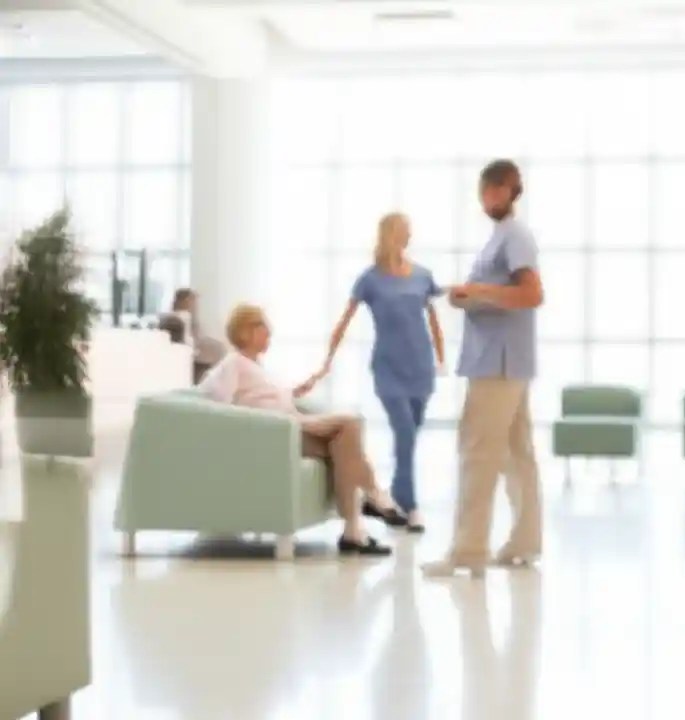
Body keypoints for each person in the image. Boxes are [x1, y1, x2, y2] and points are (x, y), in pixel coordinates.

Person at [423, 159, 544, 578]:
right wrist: (470, 297)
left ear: (514, 191)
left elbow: (531, 294)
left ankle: (467, 551)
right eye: (485, 190)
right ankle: (524, 544)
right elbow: (501, 294)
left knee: (476, 452)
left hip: (499, 363)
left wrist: (477, 291)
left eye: (499, 188)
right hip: (503, 361)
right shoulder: (501, 238)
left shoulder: (515, 236)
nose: (490, 196)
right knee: (517, 454)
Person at [200, 304, 398, 556]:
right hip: (276, 431)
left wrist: (297, 390)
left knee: (345, 443)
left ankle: (354, 531)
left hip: (291, 425)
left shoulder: (256, 365)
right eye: (264, 328)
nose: (269, 334)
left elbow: (265, 396)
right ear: (246, 330)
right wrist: (253, 422)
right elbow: (219, 403)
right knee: (350, 423)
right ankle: (374, 495)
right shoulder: (234, 363)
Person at [316, 212, 446, 534]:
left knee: (409, 437)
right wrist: (326, 362)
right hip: (388, 368)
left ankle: (396, 497)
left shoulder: (423, 276)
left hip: (421, 367)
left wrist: (441, 359)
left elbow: (434, 321)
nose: (409, 237)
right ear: (391, 234)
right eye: (405, 231)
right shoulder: (370, 280)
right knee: (404, 433)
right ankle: (411, 506)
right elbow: (344, 321)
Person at [168, 288, 226, 383]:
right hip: (185, 353)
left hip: (195, 350)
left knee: (219, 348)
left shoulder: (193, 320)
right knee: (218, 349)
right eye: (192, 302)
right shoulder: (174, 320)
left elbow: (199, 336)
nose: (195, 306)